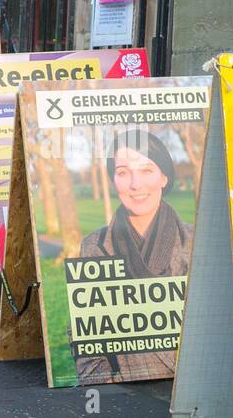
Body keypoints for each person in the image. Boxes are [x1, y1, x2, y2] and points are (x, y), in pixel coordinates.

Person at [76, 129, 195, 381]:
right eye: (123, 172)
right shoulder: (93, 247)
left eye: (146, 170)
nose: (135, 184)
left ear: (164, 177)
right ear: (113, 180)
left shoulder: (197, 242)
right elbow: (86, 341)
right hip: (125, 396)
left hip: (193, 394)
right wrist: (112, 386)